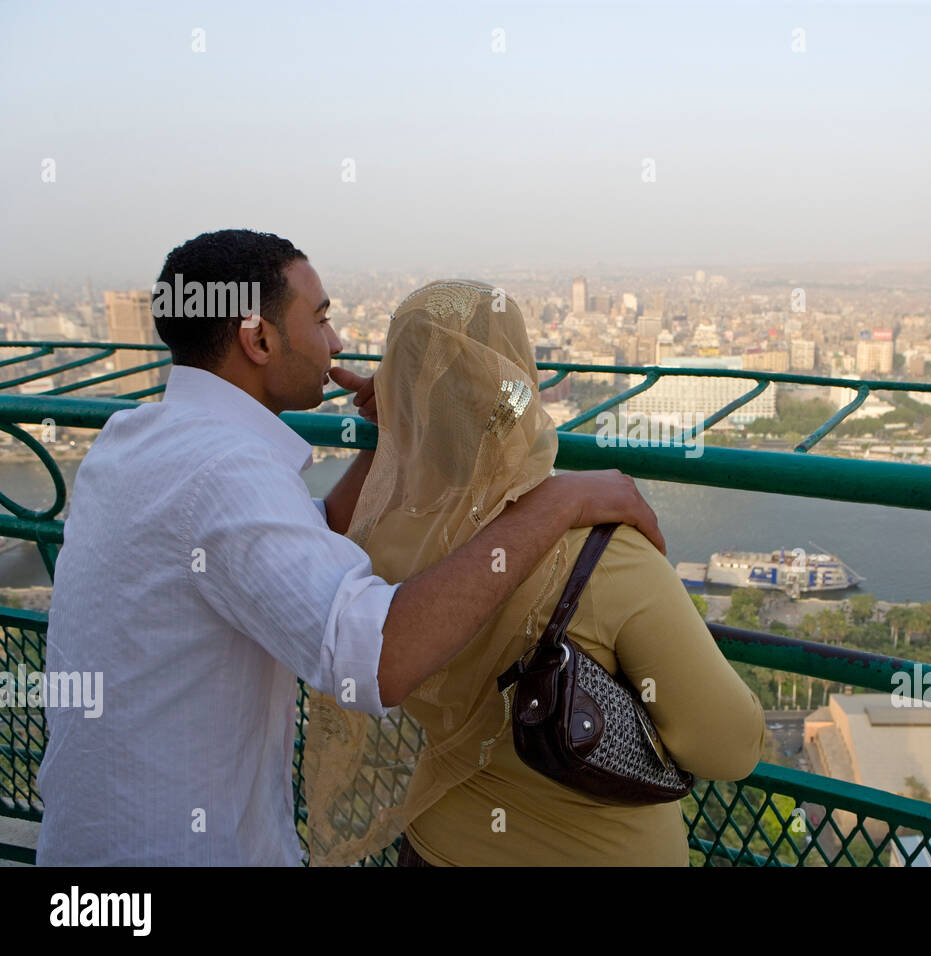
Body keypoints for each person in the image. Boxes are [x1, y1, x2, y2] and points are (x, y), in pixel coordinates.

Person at [34, 231, 664, 865]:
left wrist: (386, 436)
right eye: (322, 317)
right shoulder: (225, 472)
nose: (336, 343)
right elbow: (377, 659)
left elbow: (295, 546)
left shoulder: (136, 435)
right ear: (259, 340)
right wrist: (559, 504)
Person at [304, 279, 765, 867]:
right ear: (520, 376)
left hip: (437, 846)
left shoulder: (379, 541)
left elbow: (345, 527)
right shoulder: (605, 554)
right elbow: (727, 748)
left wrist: (404, 416)